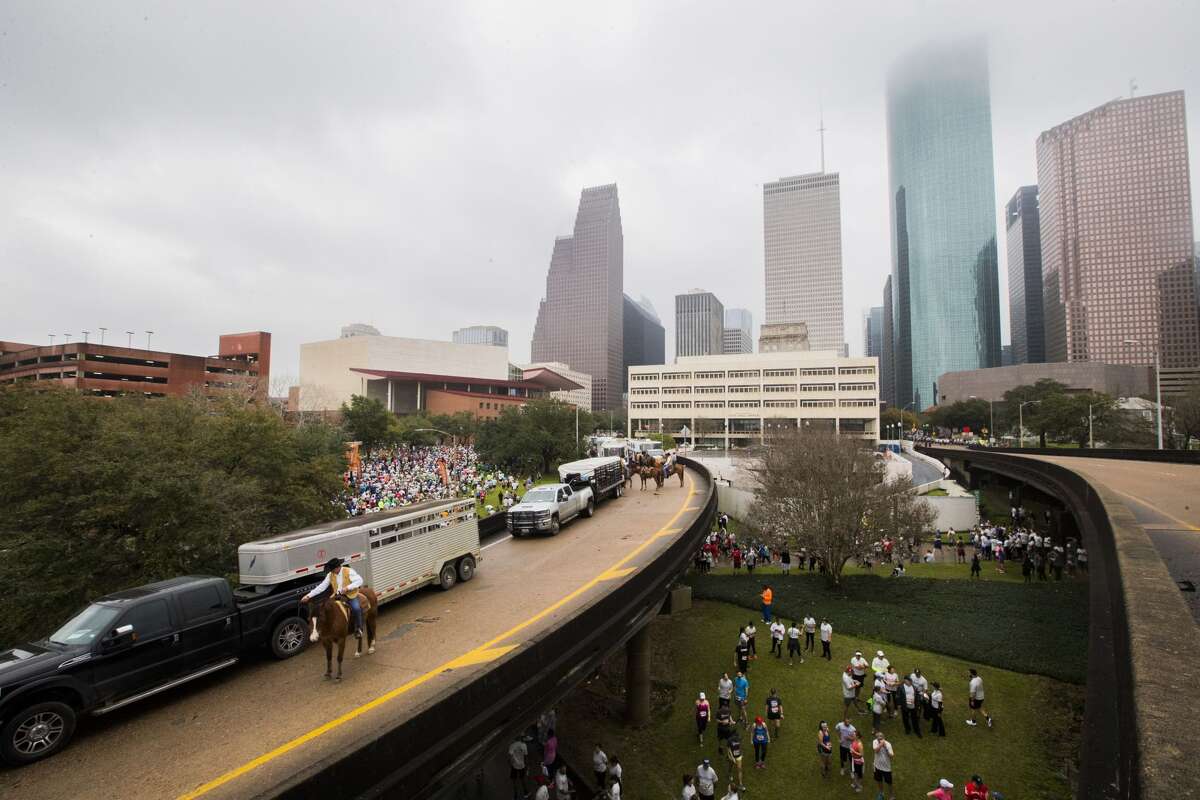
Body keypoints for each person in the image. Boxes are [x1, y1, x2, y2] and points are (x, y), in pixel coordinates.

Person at [302, 557, 365, 637]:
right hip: (337, 595)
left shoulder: (349, 571)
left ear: (338, 567)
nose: (331, 571)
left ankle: (358, 628)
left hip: (350, 595)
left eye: (332, 569)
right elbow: (322, 587)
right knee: (326, 609)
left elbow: (360, 580)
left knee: (356, 608)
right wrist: (308, 595)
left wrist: (347, 588)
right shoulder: (330, 575)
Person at [872, 731, 895, 800]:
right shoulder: (875, 742)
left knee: (889, 783)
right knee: (879, 781)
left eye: (881, 737)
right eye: (878, 737)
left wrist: (885, 748)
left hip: (886, 768)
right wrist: (881, 745)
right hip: (877, 766)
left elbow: (892, 756)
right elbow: (876, 751)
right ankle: (881, 793)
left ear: (884, 737)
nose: (879, 738)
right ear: (877, 738)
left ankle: (891, 795)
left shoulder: (888, 744)